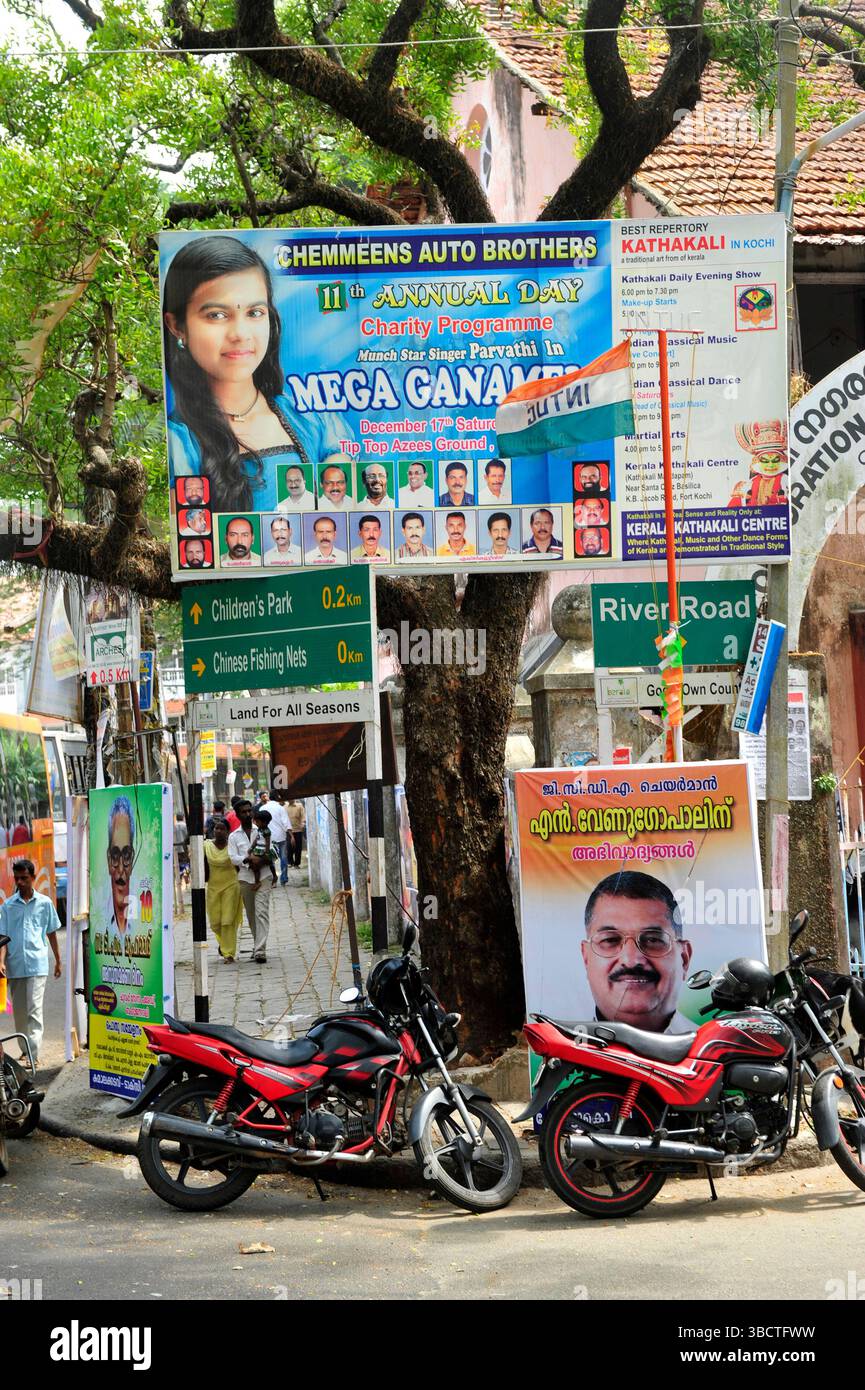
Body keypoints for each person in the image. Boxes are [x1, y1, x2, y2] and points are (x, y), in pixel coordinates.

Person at [163, 235, 353, 514]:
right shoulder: (180, 441)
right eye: (216, 315)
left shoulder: (313, 422)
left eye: (254, 312)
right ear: (176, 326)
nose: (240, 334)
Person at [580, 870, 694, 1034]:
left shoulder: (715, 1055)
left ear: (684, 958)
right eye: (611, 940)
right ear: (586, 958)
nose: (631, 959)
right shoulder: (561, 1056)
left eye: (653, 940)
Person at [0, 859, 61, 1066]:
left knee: (34, 1010)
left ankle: (33, 1055)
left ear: (33, 878)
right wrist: (1, 962)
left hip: (37, 964)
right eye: (17, 879)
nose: (20, 882)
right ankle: (24, 1051)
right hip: (15, 965)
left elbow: (52, 932)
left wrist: (58, 961)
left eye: (24, 878)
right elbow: (3, 938)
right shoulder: (8, 906)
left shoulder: (45, 903)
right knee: (19, 1014)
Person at [228, 800, 272, 962]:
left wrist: (260, 859)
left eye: (249, 811)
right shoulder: (233, 836)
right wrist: (248, 859)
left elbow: (271, 849)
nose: (247, 814)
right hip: (245, 878)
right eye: (243, 812)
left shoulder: (262, 830)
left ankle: (260, 950)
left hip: (264, 875)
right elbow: (233, 858)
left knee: (261, 911)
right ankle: (257, 944)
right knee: (252, 914)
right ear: (237, 815)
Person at [203, 818, 243, 963]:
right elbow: (201, 866)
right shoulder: (206, 846)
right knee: (215, 922)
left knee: (228, 920)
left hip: (231, 886)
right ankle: (224, 944)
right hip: (213, 887)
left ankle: (228, 953)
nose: (218, 831)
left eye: (222, 829)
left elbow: (239, 865)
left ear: (228, 831)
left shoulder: (232, 846)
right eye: (216, 829)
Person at [106, 795, 135, 935]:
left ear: (133, 858)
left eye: (127, 855)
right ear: (108, 859)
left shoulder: (142, 922)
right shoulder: (101, 921)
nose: (121, 869)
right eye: (116, 855)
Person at [259, 788, 289, 885]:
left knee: (270, 859)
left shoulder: (262, 808)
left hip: (268, 838)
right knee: (283, 857)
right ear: (277, 797)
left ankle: (273, 879)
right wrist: (291, 835)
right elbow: (286, 823)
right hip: (281, 836)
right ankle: (283, 879)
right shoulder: (280, 808)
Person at [248, 809, 278, 891]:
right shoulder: (259, 829)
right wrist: (251, 848)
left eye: (257, 822)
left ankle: (273, 876)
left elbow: (267, 843)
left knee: (264, 863)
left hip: (265, 850)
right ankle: (257, 881)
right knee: (255, 865)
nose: (256, 823)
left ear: (264, 822)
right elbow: (256, 840)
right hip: (259, 849)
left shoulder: (267, 831)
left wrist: (267, 852)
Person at [285, 797, 306, 867]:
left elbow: (303, 816)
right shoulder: (285, 807)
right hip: (288, 830)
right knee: (289, 847)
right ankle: (290, 862)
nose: (289, 799)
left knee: (298, 848)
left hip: (298, 830)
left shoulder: (299, 806)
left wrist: (303, 823)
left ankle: (297, 863)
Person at [173, 812, 190, 888]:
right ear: (183, 817)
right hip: (184, 848)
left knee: (178, 864)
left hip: (176, 848)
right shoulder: (185, 826)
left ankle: (178, 879)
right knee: (186, 864)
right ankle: (186, 880)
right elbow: (187, 836)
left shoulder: (173, 826)